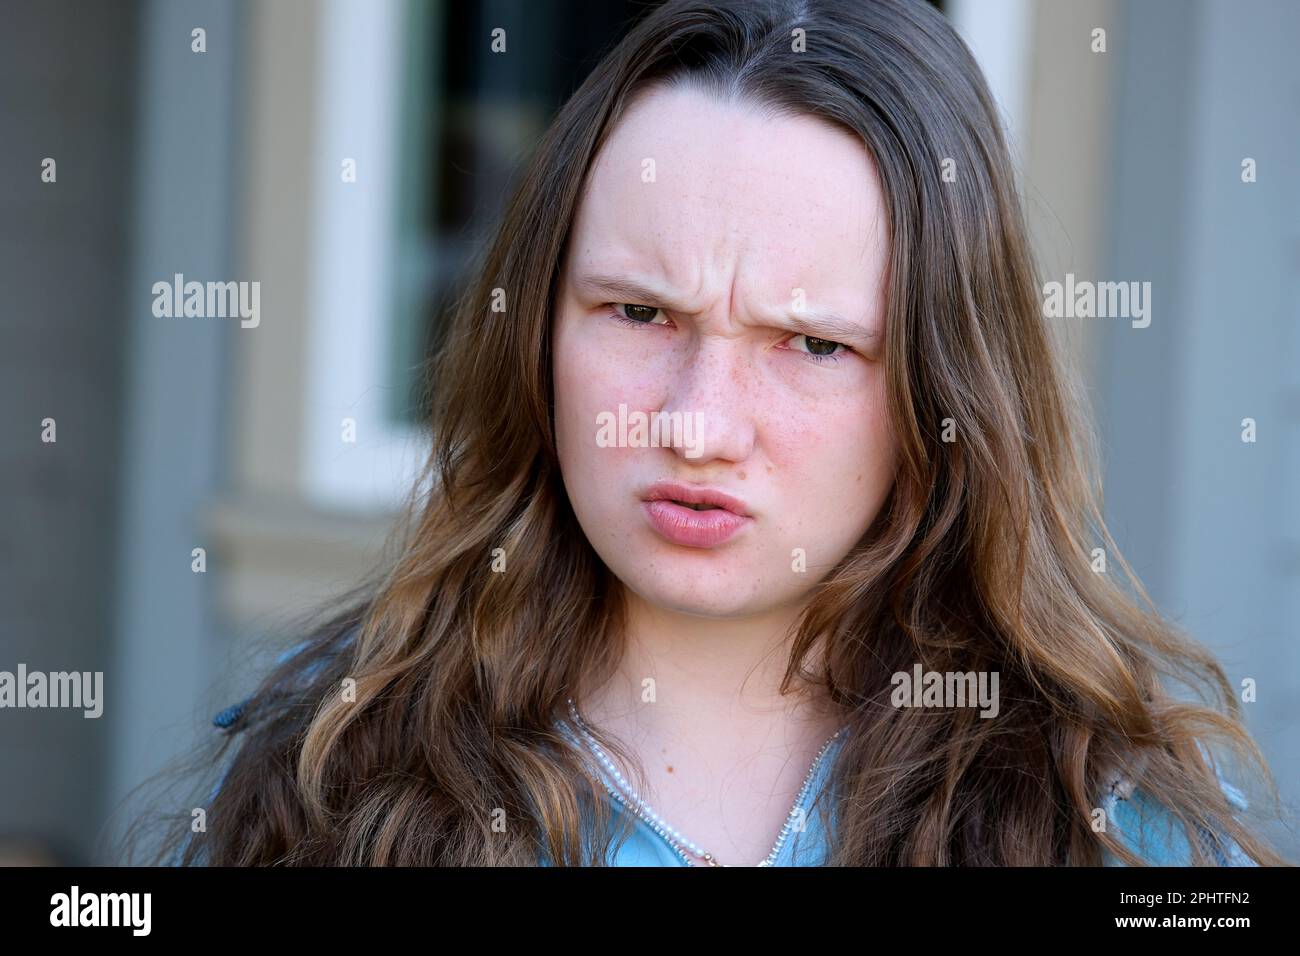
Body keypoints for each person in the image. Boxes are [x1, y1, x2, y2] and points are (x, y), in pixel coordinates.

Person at [161, 0, 1286, 866]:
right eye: (640, 312)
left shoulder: (1118, 814)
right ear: (536, 326)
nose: (696, 424)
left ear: (942, 392)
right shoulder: (336, 771)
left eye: (810, 344)